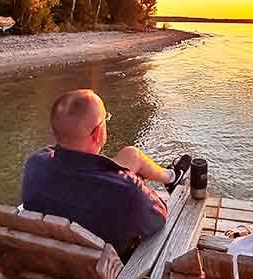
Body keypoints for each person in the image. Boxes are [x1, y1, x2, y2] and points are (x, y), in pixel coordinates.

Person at [22, 88, 191, 260]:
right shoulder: (126, 192)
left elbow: (76, 174)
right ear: (97, 134)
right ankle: (172, 178)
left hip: (60, 263)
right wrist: (135, 181)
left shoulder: (34, 164)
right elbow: (158, 218)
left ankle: (171, 177)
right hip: (112, 272)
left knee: (131, 155)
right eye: (106, 119)